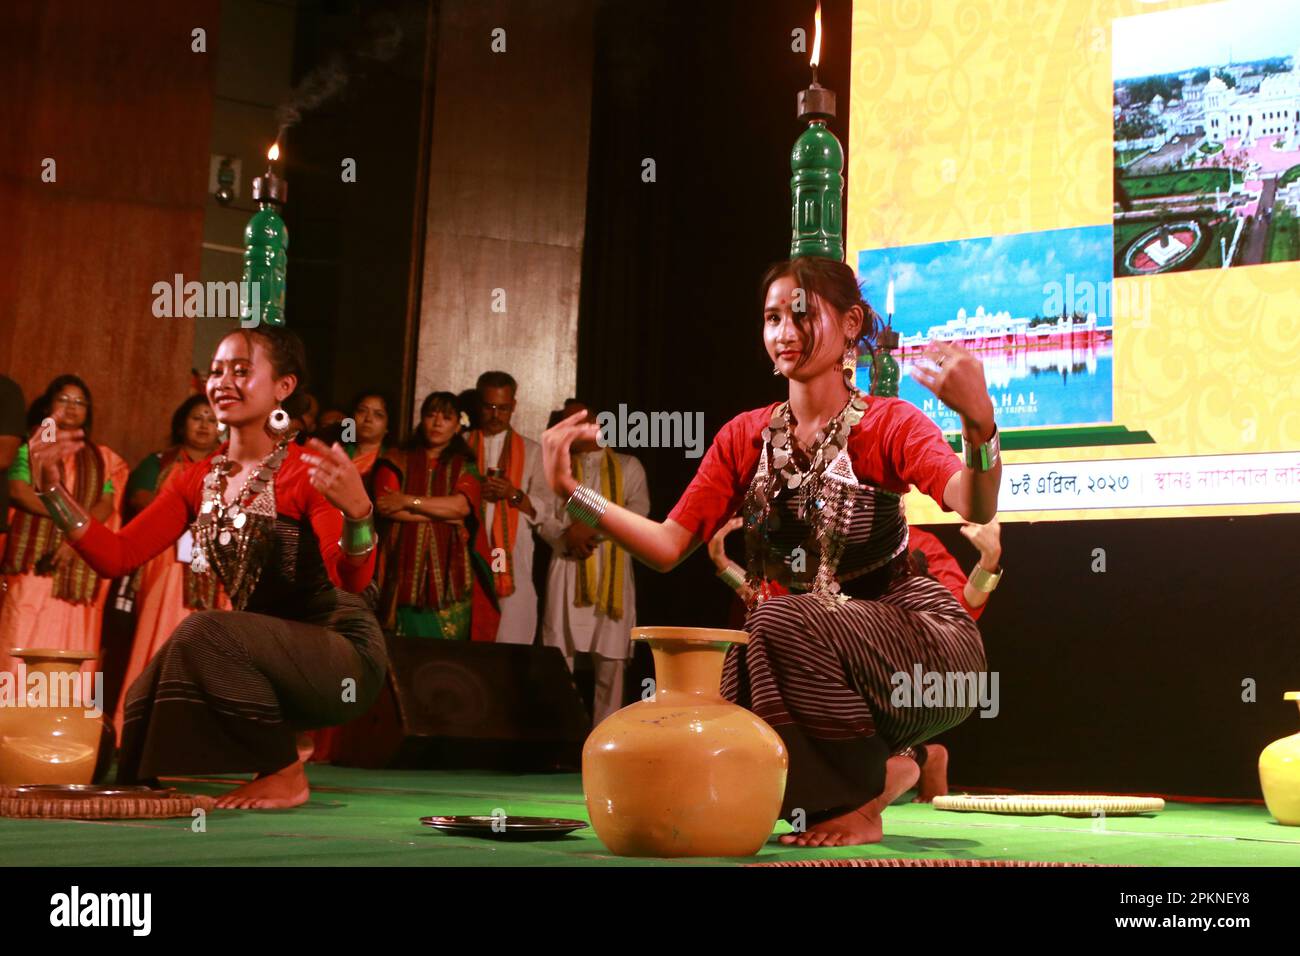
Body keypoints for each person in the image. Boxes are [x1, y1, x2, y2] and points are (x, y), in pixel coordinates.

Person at [541, 256, 1001, 847]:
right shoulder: (744, 435)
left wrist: (979, 423)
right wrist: (572, 494)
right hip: (804, 652)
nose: (784, 333)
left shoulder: (890, 422)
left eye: (801, 315)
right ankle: (895, 769)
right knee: (724, 721)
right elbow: (665, 546)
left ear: (853, 323)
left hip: (926, 650)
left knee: (777, 617)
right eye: (772, 317)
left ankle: (862, 803)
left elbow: (975, 503)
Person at [28, 327, 384, 809]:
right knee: (144, 691)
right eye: (216, 371)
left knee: (204, 629)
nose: (223, 382)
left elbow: (351, 579)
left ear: (284, 387)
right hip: (262, 659)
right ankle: (139, 780)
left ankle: (284, 772)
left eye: (241, 370)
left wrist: (360, 517)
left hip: (340, 657)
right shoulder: (194, 478)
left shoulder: (305, 472)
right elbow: (115, 557)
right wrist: (53, 495)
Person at [708, 514, 1004, 803]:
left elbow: (963, 609)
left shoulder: (914, 544)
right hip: (852, 676)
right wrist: (724, 565)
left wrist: (988, 561)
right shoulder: (807, 553)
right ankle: (916, 757)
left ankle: (875, 788)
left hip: (922, 678)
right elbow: (772, 608)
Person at [112, 394, 223, 738]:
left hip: (214, 564)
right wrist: (185, 508)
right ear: (181, 424)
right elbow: (139, 499)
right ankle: (137, 727)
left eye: (211, 419)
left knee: (207, 645)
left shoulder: (232, 465)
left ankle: (197, 733)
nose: (204, 425)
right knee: (157, 638)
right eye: (197, 418)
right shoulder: (159, 462)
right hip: (165, 561)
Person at [1, 375, 128, 673]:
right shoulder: (28, 447)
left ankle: (63, 715)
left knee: (71, 642)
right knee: (21, 634)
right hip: (32, 562)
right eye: (64, 400)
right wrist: (66, 516)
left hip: (77, 563)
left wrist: (75, 538)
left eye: (80, 402)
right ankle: (11, 715)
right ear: (48, 406)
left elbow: (106, 504)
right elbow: (18, 490)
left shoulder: (101, 458)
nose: (72, 408)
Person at [539, 399, 649, 726]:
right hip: (566, 562)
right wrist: (567, 534)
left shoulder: (629, 466)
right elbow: (541, 515)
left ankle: (603, 741)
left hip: (611, 568)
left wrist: (593, 529)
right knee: (560, 655)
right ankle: (560, 736)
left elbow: (639, 512)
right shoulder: (554, 468)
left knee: (610, 662)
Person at [374, 391, 499, 642]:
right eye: (431, 415)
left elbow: (461, 508)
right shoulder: (396, 459)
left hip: (451, 578)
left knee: (446, 665)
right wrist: (442, 515)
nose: (437, 423)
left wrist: (408, 500)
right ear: (421, 420)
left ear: (456, 427)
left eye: (446, 417)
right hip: (402, 573)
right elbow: (387, 506)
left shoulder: (466, 465)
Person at [463, 371, 546, 645]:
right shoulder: (461, 445)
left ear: (514, 406)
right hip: (468, 556)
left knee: (510, 645)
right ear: (479, 405)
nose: (496, 414)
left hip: (509, 560)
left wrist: (513, 494)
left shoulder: (533, 451)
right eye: (489, 406)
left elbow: (546, 510)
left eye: (504, 408)